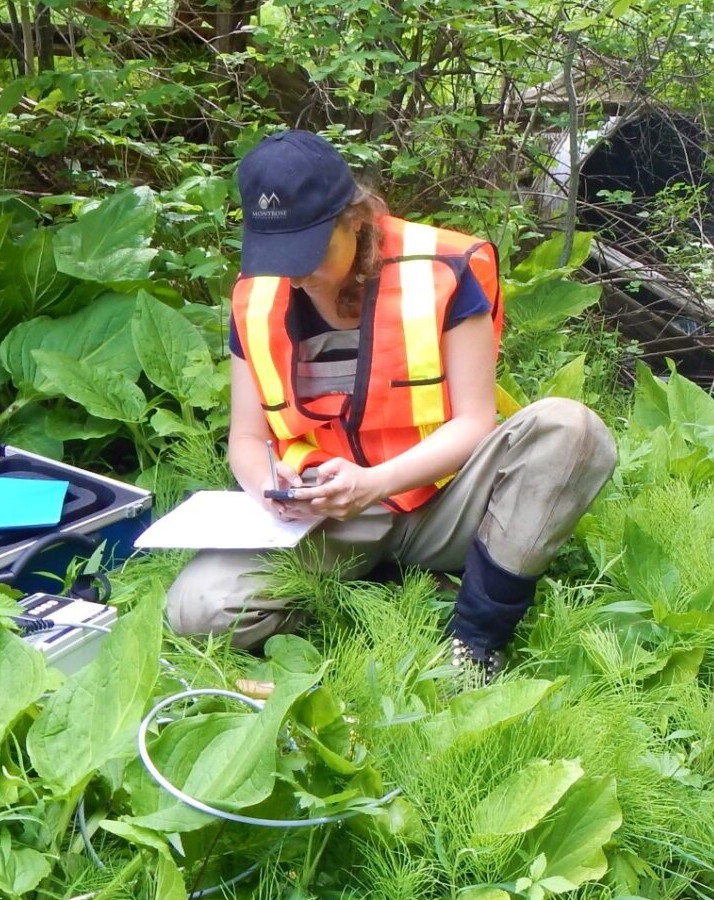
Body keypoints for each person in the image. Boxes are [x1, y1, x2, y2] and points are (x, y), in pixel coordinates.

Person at [165, 130, 617, 672]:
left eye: (309, 252)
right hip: (326, 516)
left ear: (355, 217)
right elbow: (247, 437)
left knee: (570, 430)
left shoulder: (444, 270)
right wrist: (270, 488)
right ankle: (364, 582)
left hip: (444, 505)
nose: (296, 273)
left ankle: (474, 639)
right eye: (279, 255)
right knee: (197, 610)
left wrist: (374, 483)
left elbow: (476, 423)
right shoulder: (255, 295)